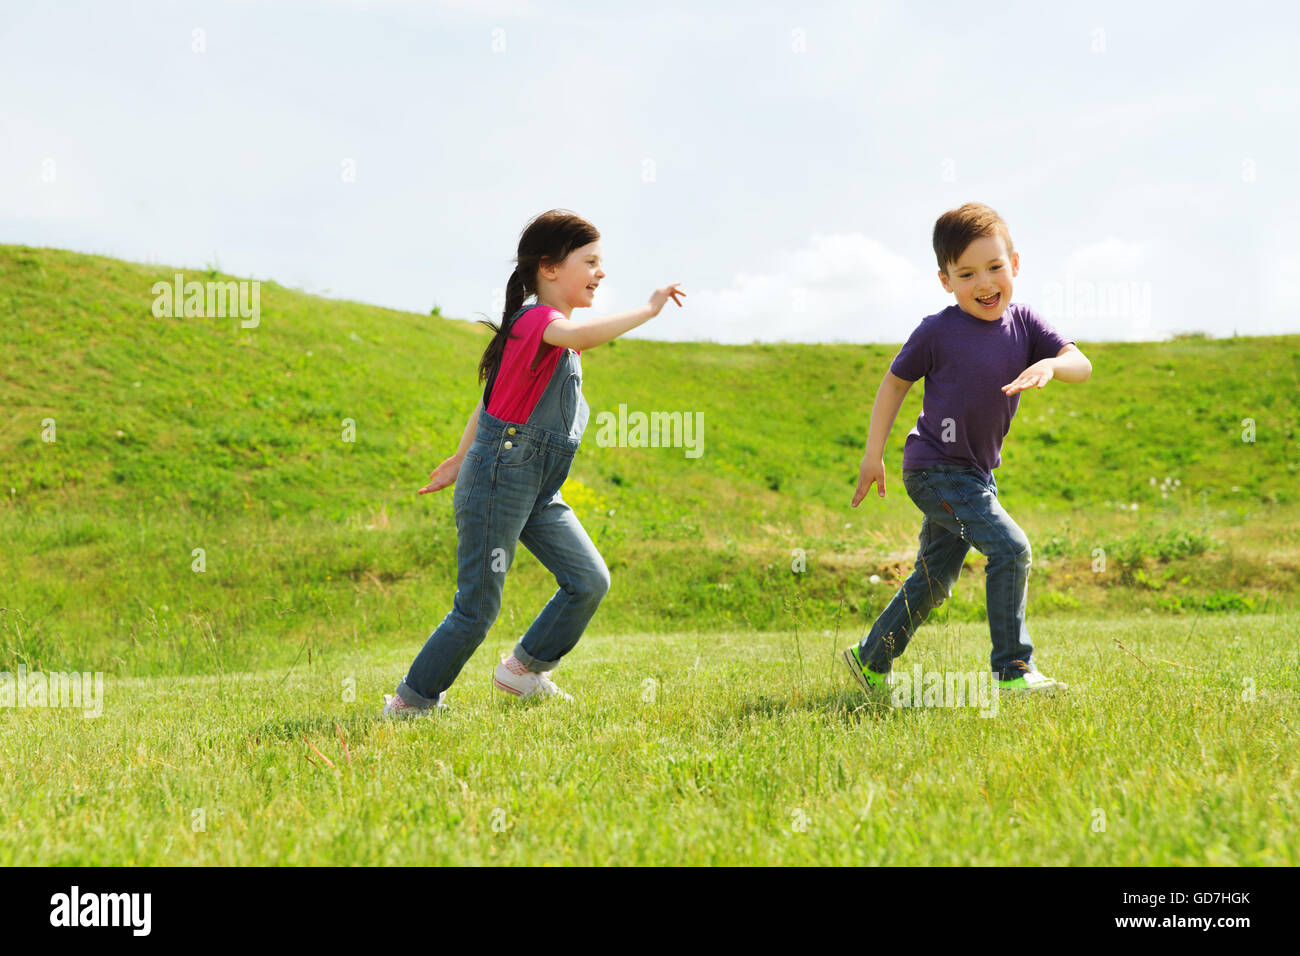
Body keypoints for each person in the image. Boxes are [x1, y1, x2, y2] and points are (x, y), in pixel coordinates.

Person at [384, 209, 685, 717]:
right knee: (477, 610)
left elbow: (491, 401)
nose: (601, 272)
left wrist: (459, 457)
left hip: (539, 489)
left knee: (589, 580)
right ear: (549, 268)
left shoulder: (546, 336)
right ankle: (411, 703)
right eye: (590, 261)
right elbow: (582, 337)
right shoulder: (540, 321)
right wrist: (649, 310)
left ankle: (523, 671)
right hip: (501, 478)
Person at [844, 201, 1092, 698]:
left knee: (935, 578)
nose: (985, 282)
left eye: (996, 267)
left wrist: (1050, 367)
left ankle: (870, 659)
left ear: (1015, 264)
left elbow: (1080, 362)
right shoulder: (937, 331)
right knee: (1011, 548)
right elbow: (894, 384)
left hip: (975, 475)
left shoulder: (1025, 325)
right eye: (967, 273)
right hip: (934, 468)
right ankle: (1013, 669)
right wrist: (874, 454)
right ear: (946, 281)